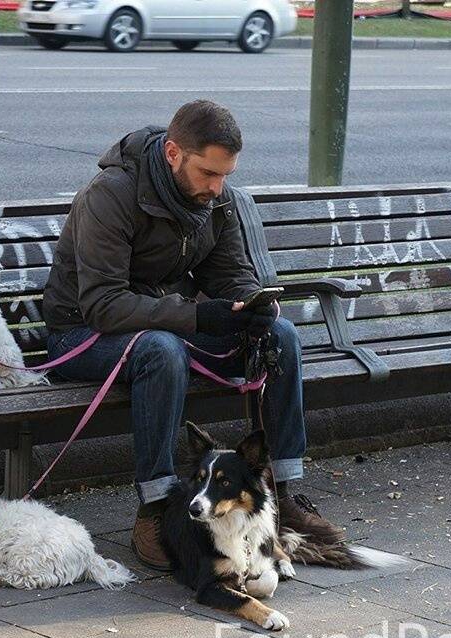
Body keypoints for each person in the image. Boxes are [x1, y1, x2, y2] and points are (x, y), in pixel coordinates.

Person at [42, 100, 342, 570]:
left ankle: (281, 496)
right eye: (208, 173)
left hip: (164, 327)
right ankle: (157, 507)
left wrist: (252, 307)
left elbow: (231, 275)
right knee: (161, 351)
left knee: (280, 336)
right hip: (82, 334)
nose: (218, 187)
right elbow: (103, 304)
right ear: (173, 154)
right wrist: (199, 317)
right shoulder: (111, 195)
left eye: (225, 175)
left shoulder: (215, 198)